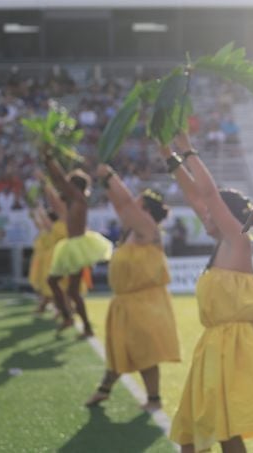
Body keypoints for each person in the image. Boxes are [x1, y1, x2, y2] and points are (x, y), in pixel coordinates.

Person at [161, 133, 253, 453]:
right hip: (216, 347)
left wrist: (187, 149)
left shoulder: (238, 242)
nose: (204, 216)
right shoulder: (223, 246)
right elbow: (199, 197)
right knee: (195, 434)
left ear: (229, 217)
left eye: (213, 213)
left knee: (224, 434)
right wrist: (168, 157)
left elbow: (209, 195)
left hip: (237, 348)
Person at [85, 164, 181, 411]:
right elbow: (122, 205)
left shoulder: (147, 230)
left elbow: (125, 203)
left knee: (143, 351)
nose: (131, 208)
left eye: (138, 204)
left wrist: (109, 174)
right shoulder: (132, 231)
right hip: (127, 301)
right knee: (121, 347)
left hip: (145, 302)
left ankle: (154, 400)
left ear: (146, 211)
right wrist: (106, 182)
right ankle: (105, 389)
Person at [43, 149, 112, 337]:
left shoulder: (78, 199)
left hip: (77, 247)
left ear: (75, 187)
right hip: (74, 246)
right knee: (69, 289)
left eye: (70, 185)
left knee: (60, 285)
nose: (65, 189)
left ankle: (73, 319)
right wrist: (49, 163)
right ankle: (76, 321)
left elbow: (60, 181)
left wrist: (49, 159)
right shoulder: (75, 201)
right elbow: (59, 183)